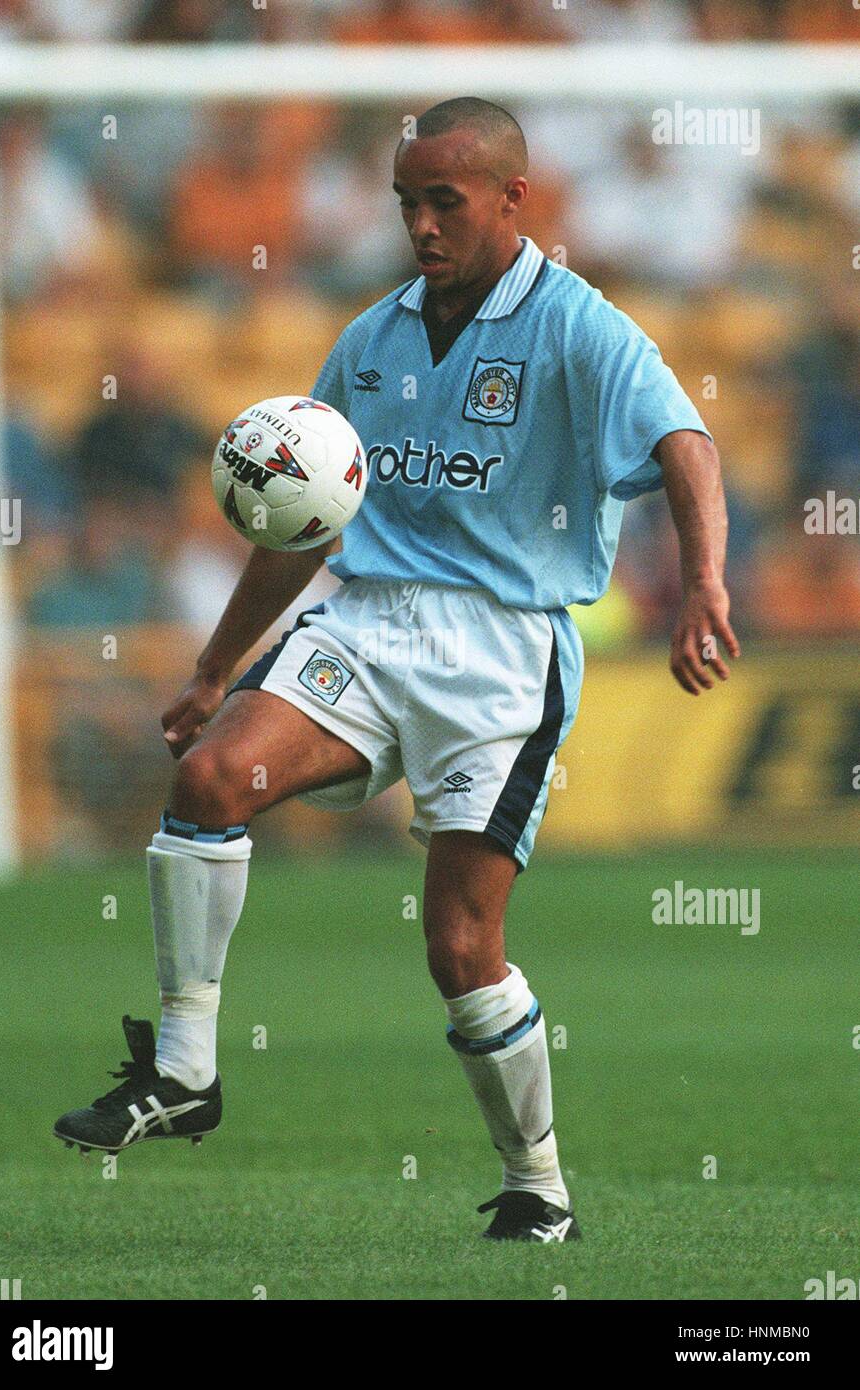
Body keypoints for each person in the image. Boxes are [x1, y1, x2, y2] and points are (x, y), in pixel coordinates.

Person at [54, 97, 739, 1244]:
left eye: (444, 203)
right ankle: (182, 1069)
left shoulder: (578, 326)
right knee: (210, 780)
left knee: (461, 950)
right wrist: (218, 666)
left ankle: (538, 1186)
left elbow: (688, 442)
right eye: (405, 204)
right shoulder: (370, 340)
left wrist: (705, 581)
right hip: (367, 624)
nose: (420, 226)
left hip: (501, 650)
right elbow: (309, 522)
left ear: (512, 200)